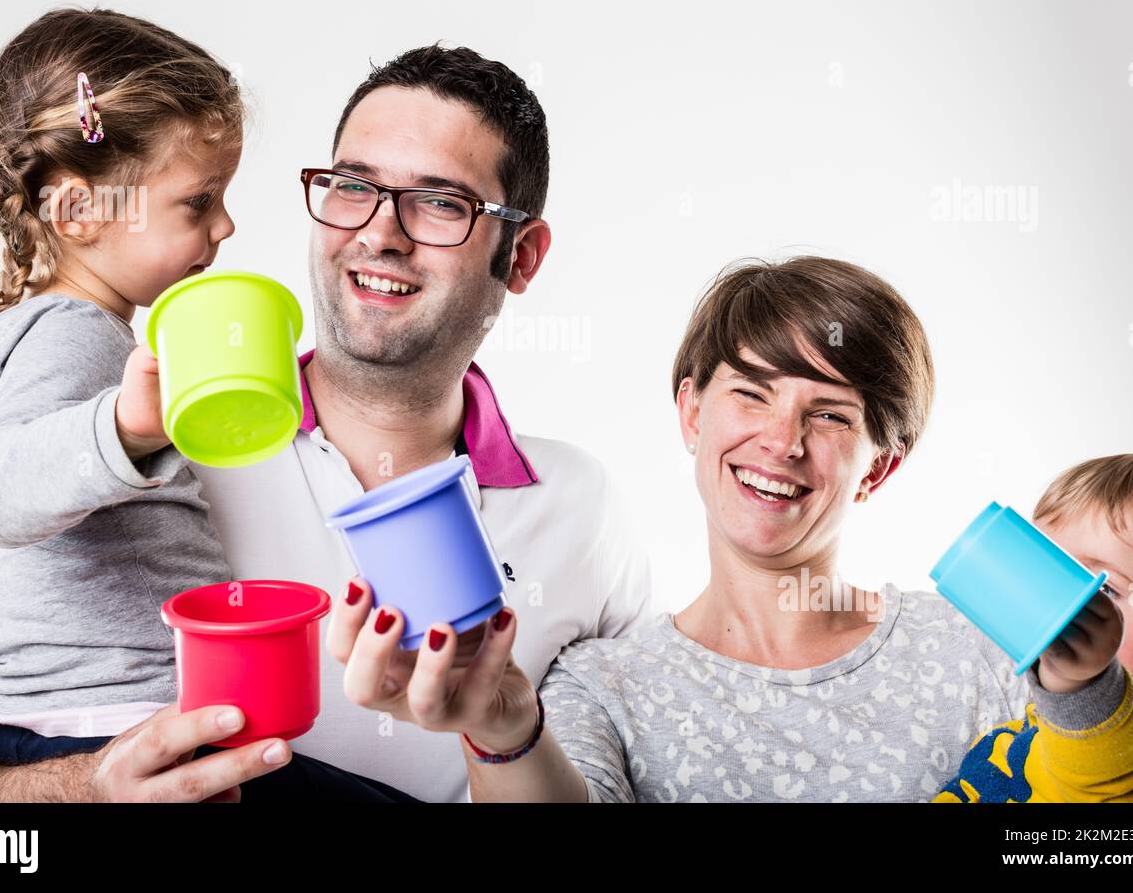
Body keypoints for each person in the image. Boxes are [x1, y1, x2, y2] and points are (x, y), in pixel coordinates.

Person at [0, 43, 656, 802]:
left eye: (440, 202)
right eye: (354, 186)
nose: (381, 232)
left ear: (521, 256)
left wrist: (503, 730)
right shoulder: (153, 436)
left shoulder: (584, 513)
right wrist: (87, 793)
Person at [0, 7, 414, 802]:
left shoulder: (19, 338)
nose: (226, 225)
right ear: (77, 213)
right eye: (198, 202)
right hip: (102, 725)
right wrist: (125, 429)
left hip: (27, 723)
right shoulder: (76, 336)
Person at [326, 255, 1036, 802]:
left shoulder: (981, 651)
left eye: (830, 415)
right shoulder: (602, 687)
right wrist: (505, 728)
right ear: (692, 415)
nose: (781, 440)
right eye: (752, 394)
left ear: (878, 469)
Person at [935, 453, 1133, 802]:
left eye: (1102, 589)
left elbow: (1119, 779)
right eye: (1048, 573)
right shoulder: (1030, 724)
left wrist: (1085, 684)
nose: (1058, 606)